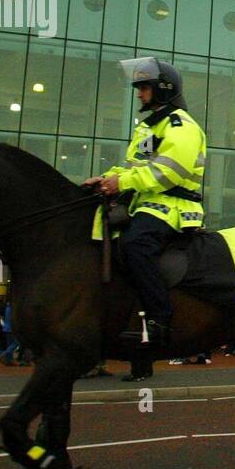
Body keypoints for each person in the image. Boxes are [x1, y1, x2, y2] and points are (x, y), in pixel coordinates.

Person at [85, 57, 208, 380]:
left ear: (163, 89)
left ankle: (159, 318)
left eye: (144, 88)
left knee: (136, 244)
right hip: (145, 203)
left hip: (171, 207)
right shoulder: (149, 126)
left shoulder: (182, 125)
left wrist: (122, 183)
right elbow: (132, 168)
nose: (139, 94)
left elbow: (168, 172)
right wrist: (105, 179)